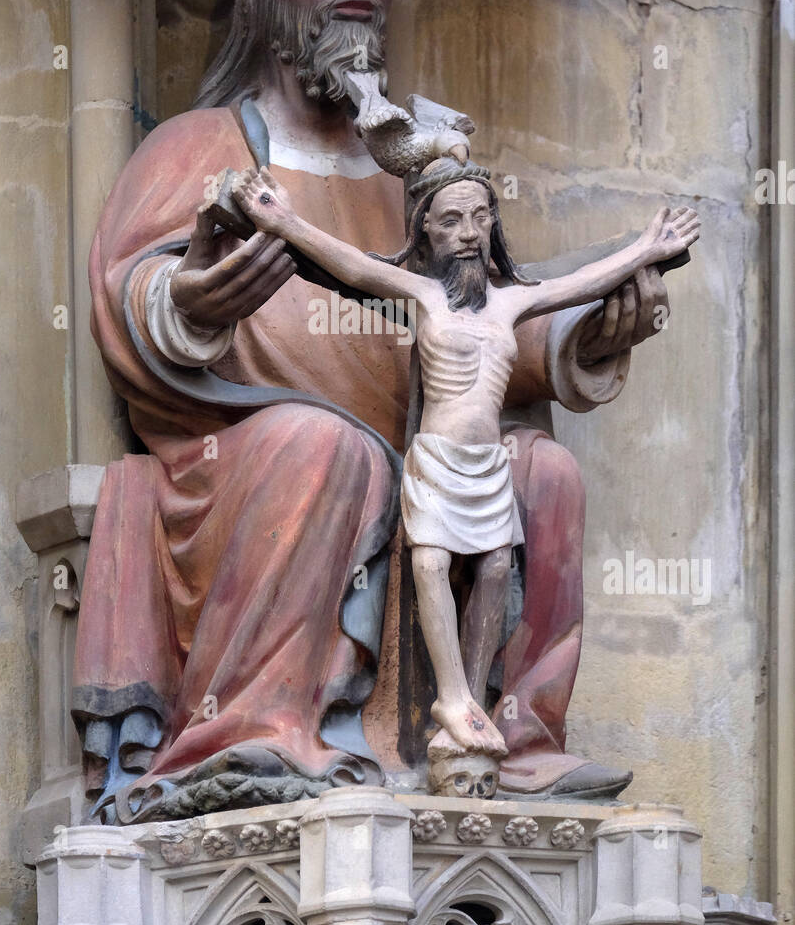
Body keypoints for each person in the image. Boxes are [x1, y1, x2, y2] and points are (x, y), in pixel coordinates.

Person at [73, 0, 677, 822]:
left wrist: (586, 327)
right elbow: (132, 290)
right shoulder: (205, 145)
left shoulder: (421, 175)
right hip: (250, 469)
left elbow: (475, 322)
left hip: (423, 452)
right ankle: (260, 728)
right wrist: (190, 300)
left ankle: (506, 731)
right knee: (328, 450)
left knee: (545, 474)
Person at [231, 163, 699, 766]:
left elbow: (583, 282)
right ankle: (449, 698)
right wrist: (283, 219)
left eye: (480, 217)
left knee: (498, 569)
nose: (469, 232)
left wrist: (646, 249)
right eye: (451, 220)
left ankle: (473, 698)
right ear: (426, 230)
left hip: (488, 463)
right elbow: (353, 266)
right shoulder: (424, 296)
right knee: (430, 564)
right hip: (438, 458)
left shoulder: (509, 304)